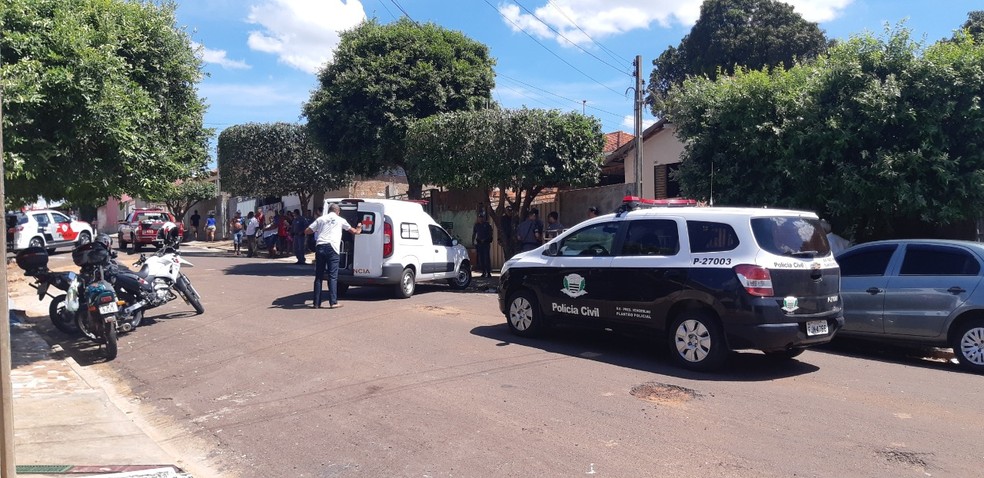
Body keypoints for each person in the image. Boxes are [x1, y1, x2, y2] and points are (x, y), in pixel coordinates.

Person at [306, 204, 363, 309]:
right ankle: (333, 302)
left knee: (318, 276)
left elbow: (307, 230)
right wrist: (359, 227)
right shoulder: (341, 220)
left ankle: (316, 303)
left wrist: (318, 230)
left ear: (329, 210)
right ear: (338, 211)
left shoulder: (321, 219)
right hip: (332, 248)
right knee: (332, 276)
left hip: (320, 246)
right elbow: (355, 232)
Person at [472, 213, 493, 278]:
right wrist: (473, 242)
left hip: (486, 243)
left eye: (481, 217)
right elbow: (474, 233)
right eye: (479, 217)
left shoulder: (487, 225)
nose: (480, 219)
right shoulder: (476, 225)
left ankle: (488, 272)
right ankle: (483, 272)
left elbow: (490, 234)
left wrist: (485, 239)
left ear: (483, 218)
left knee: (486, 258)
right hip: (479, 243)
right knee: (481, 258)